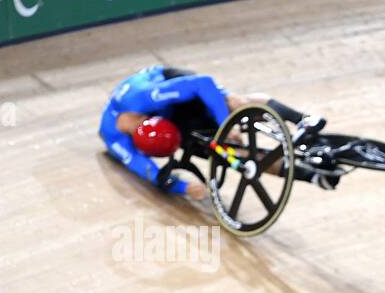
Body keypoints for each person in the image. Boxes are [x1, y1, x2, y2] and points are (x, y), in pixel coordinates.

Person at [99, 65, 337, 200]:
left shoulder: (145, 97)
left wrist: (227, 124)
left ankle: (303, 120)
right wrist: (182, 187)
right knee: (229, 153)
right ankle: (311, 176)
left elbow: (203, 84)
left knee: (232, 101)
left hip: (174, 84)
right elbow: (147, 170)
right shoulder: (113, 138)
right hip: (172, 118)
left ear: (149, 117)